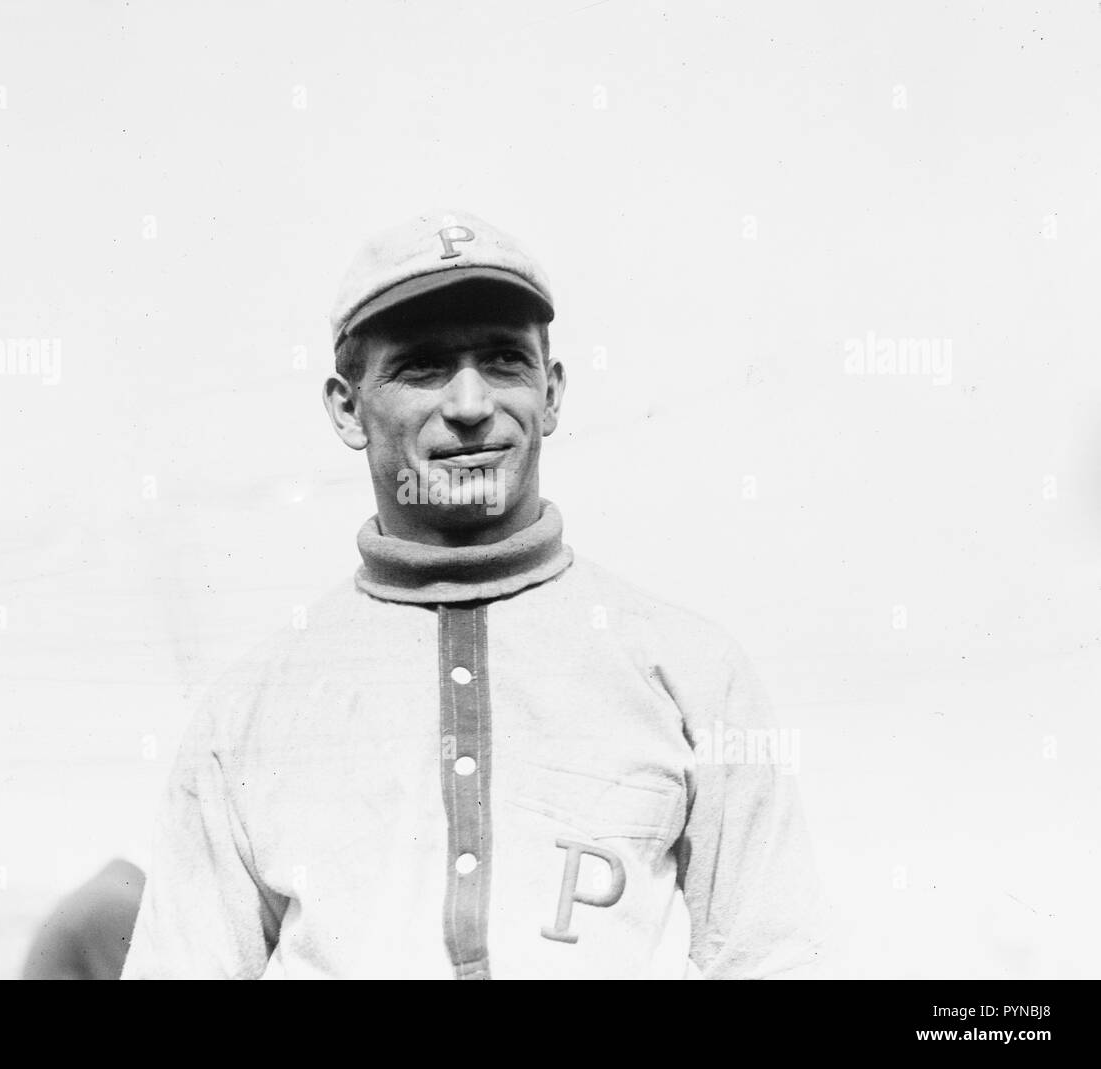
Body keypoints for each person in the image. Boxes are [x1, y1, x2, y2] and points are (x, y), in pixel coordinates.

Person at [122, 210, 826, 979]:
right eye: (422, 366)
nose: (469, 404)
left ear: (550, 393)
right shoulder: (246, 713)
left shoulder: (690, 671)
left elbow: (774, 959)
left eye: (503, 361)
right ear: (346, 407)